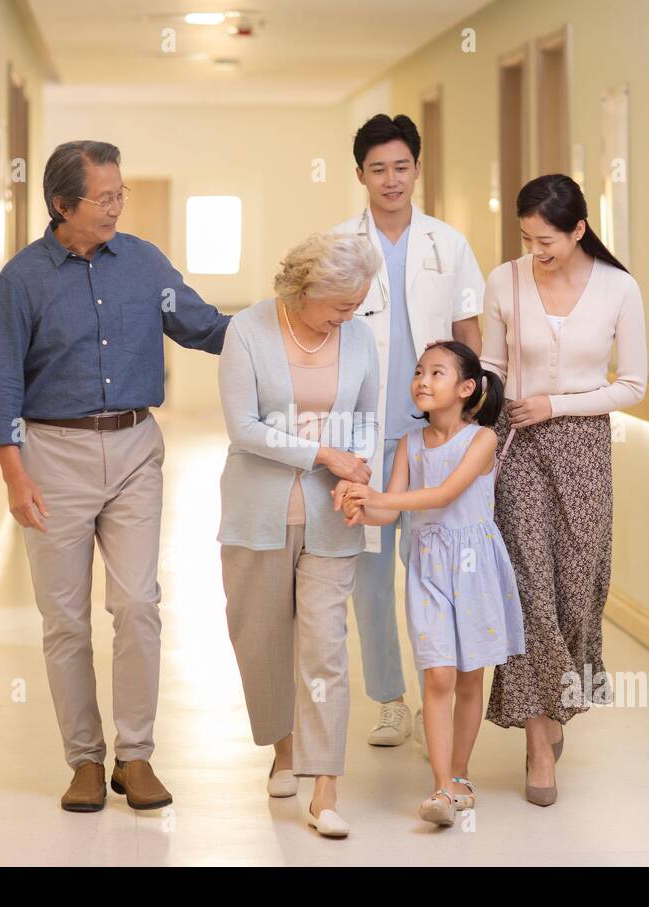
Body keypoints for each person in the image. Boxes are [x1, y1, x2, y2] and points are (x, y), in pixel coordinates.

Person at [0, 140, 232, 813]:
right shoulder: (21, 280)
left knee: (138, 605)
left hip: (133, 449)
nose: (119, 205)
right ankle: (85, 762)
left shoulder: (145, 264)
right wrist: (13, 473)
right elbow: (1, 381)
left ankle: (137, 755)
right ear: (64, 205)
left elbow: (204, 327)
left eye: (121, 193)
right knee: (64, 620)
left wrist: (289, 327)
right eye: (106, 197)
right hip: (51, 456)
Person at [479, 173, 647, 806]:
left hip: (582, 452)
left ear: (579, 230)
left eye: (545, 240)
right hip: (515, 446)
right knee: (529, 595)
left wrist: (558, 404)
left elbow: (633, 384)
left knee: (578, 592)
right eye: (525, 238)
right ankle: (536, 743)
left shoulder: (617, 288)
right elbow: (493, 368)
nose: (534, 251)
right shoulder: (505, 280)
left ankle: (556, 709)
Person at [217, 232, 382, 838]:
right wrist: (324, 455)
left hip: (332, 515)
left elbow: (367, 416)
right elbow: (244, 428)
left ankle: (325, 787)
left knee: (326, 648)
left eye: (357, 306)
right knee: (260, 637)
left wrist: (358, 470)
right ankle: (283, 749)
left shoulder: (358, 334)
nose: (350, 317)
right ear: (305, 290)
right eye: (340, 306)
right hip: (258, 510)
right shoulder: (249, 331)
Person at [331, 114, 486, 750]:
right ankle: (389, 700)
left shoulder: (448, 245)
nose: (391, 179)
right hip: (364, 438)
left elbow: (469, 333)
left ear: (418, 168)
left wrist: (469, 422)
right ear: (360, 174)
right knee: (367, 580)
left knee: (433, 575)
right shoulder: (340, 244)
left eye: (401, 166)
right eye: (377, 168)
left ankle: (434, 699)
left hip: (431, 440)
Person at [336, 341, 524, 827]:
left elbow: (444, 493)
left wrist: (379, 497)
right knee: (438, 673)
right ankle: (442, 786)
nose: (422, 380)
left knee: (469, 677)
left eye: (436, 373)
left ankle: (461, 774)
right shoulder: (409, 444)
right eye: (419, 371)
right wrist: (362, 505)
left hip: (475, 567)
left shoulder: (481, 439)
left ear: (466, 388)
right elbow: (390, 507)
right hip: (428, 568)